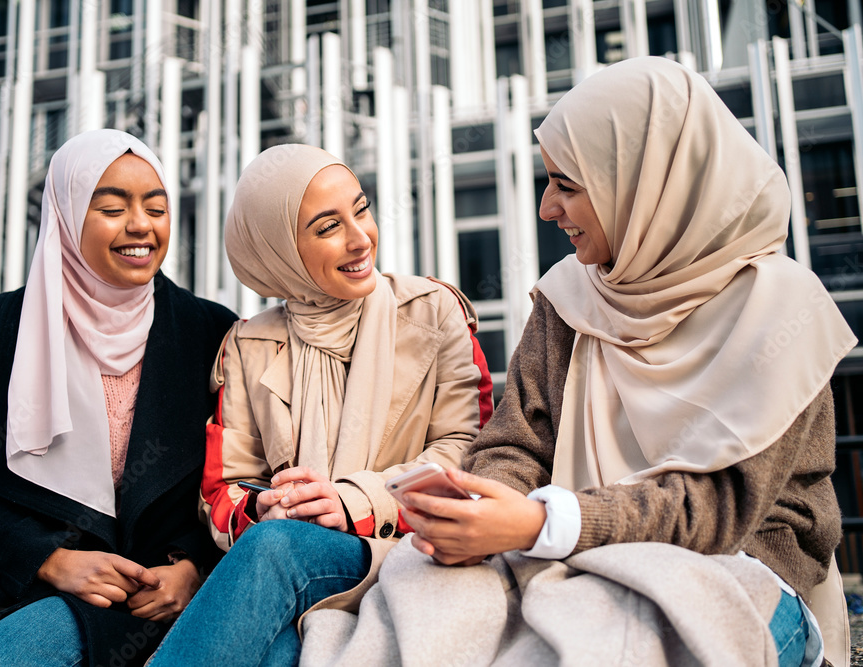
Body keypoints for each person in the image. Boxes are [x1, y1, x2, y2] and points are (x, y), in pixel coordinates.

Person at [297, 57, 858, 666]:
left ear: (645, 186)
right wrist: (478, 507)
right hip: (569, 550)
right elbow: (517, 447)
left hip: (739, 570)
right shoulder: (570, 298)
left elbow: (715, 511)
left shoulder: (780, 311)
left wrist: (536, 524)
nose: (547, 209)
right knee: (417, 599)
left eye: (567, 185)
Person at [0, 129, 238, 666]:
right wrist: (49, 559)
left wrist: (192, 567)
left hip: (131, 597)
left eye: (156, 208)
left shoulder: (210, 333)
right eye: (112, 208)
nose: (141, 225)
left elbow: (237, 479)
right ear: (66, 216)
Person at [146, 143, 493, 665]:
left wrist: (354, 500)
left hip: (404, 547)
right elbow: (222, 487)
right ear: (278, 249)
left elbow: (472, 452)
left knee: (276, 548)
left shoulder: (433, 310)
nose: (361, 239)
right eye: (328, 227)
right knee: (278, 650)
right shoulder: (246, 344)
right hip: (293, 562)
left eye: (362, 209)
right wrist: (262, 505)